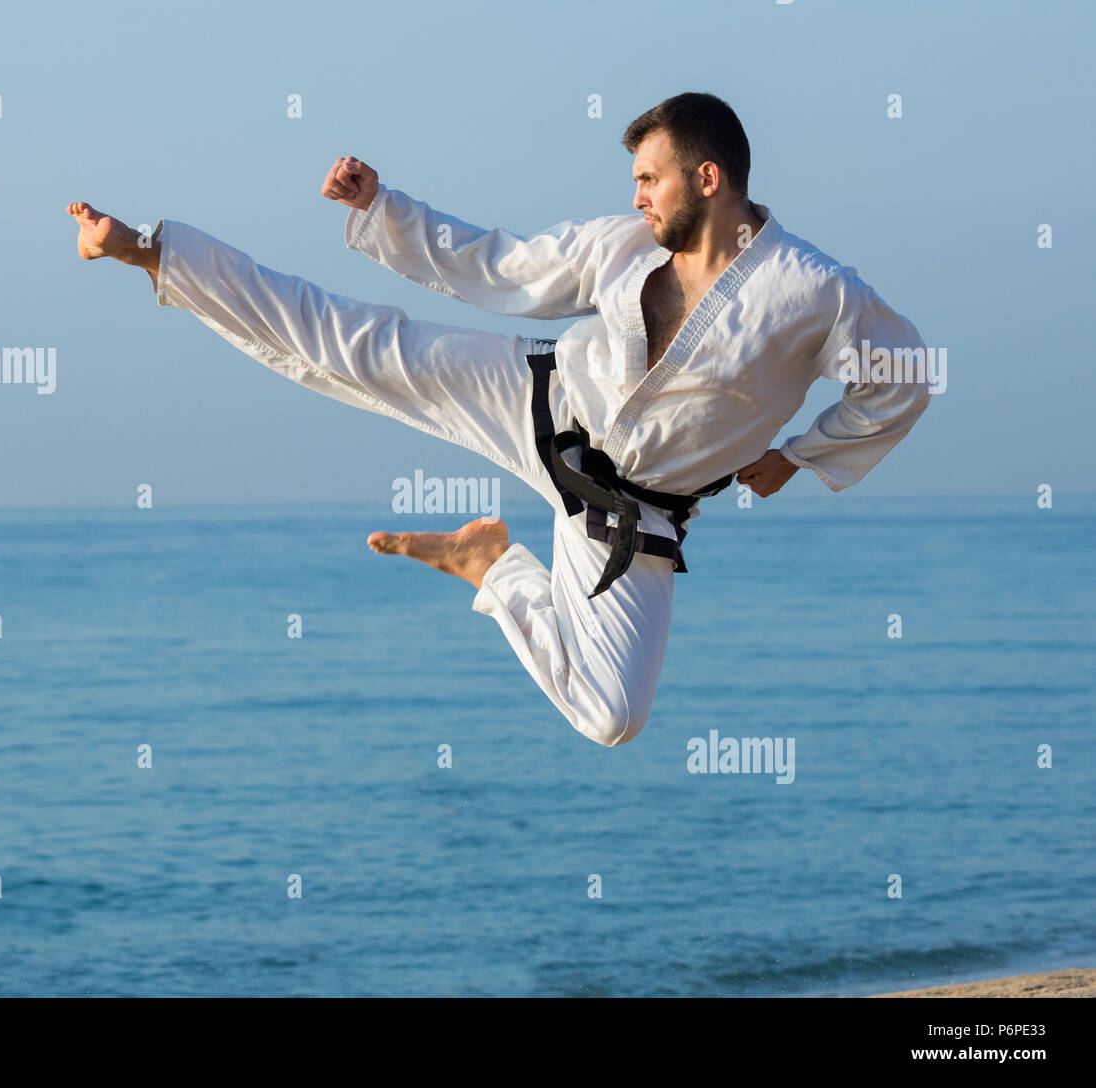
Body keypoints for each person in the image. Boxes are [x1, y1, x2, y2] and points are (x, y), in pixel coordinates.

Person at [65, 92, 932, 748]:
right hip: (541, 406)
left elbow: (902, 379)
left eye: (649, 178)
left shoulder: (814, 292)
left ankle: (489, 566)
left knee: (612, 716)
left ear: (708, 179)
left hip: (630, 513)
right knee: (347, 344)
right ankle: (146, 249)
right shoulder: (624, 247)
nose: (637, 198)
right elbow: (504, 266)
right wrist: (383, 209)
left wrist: (801, 455)